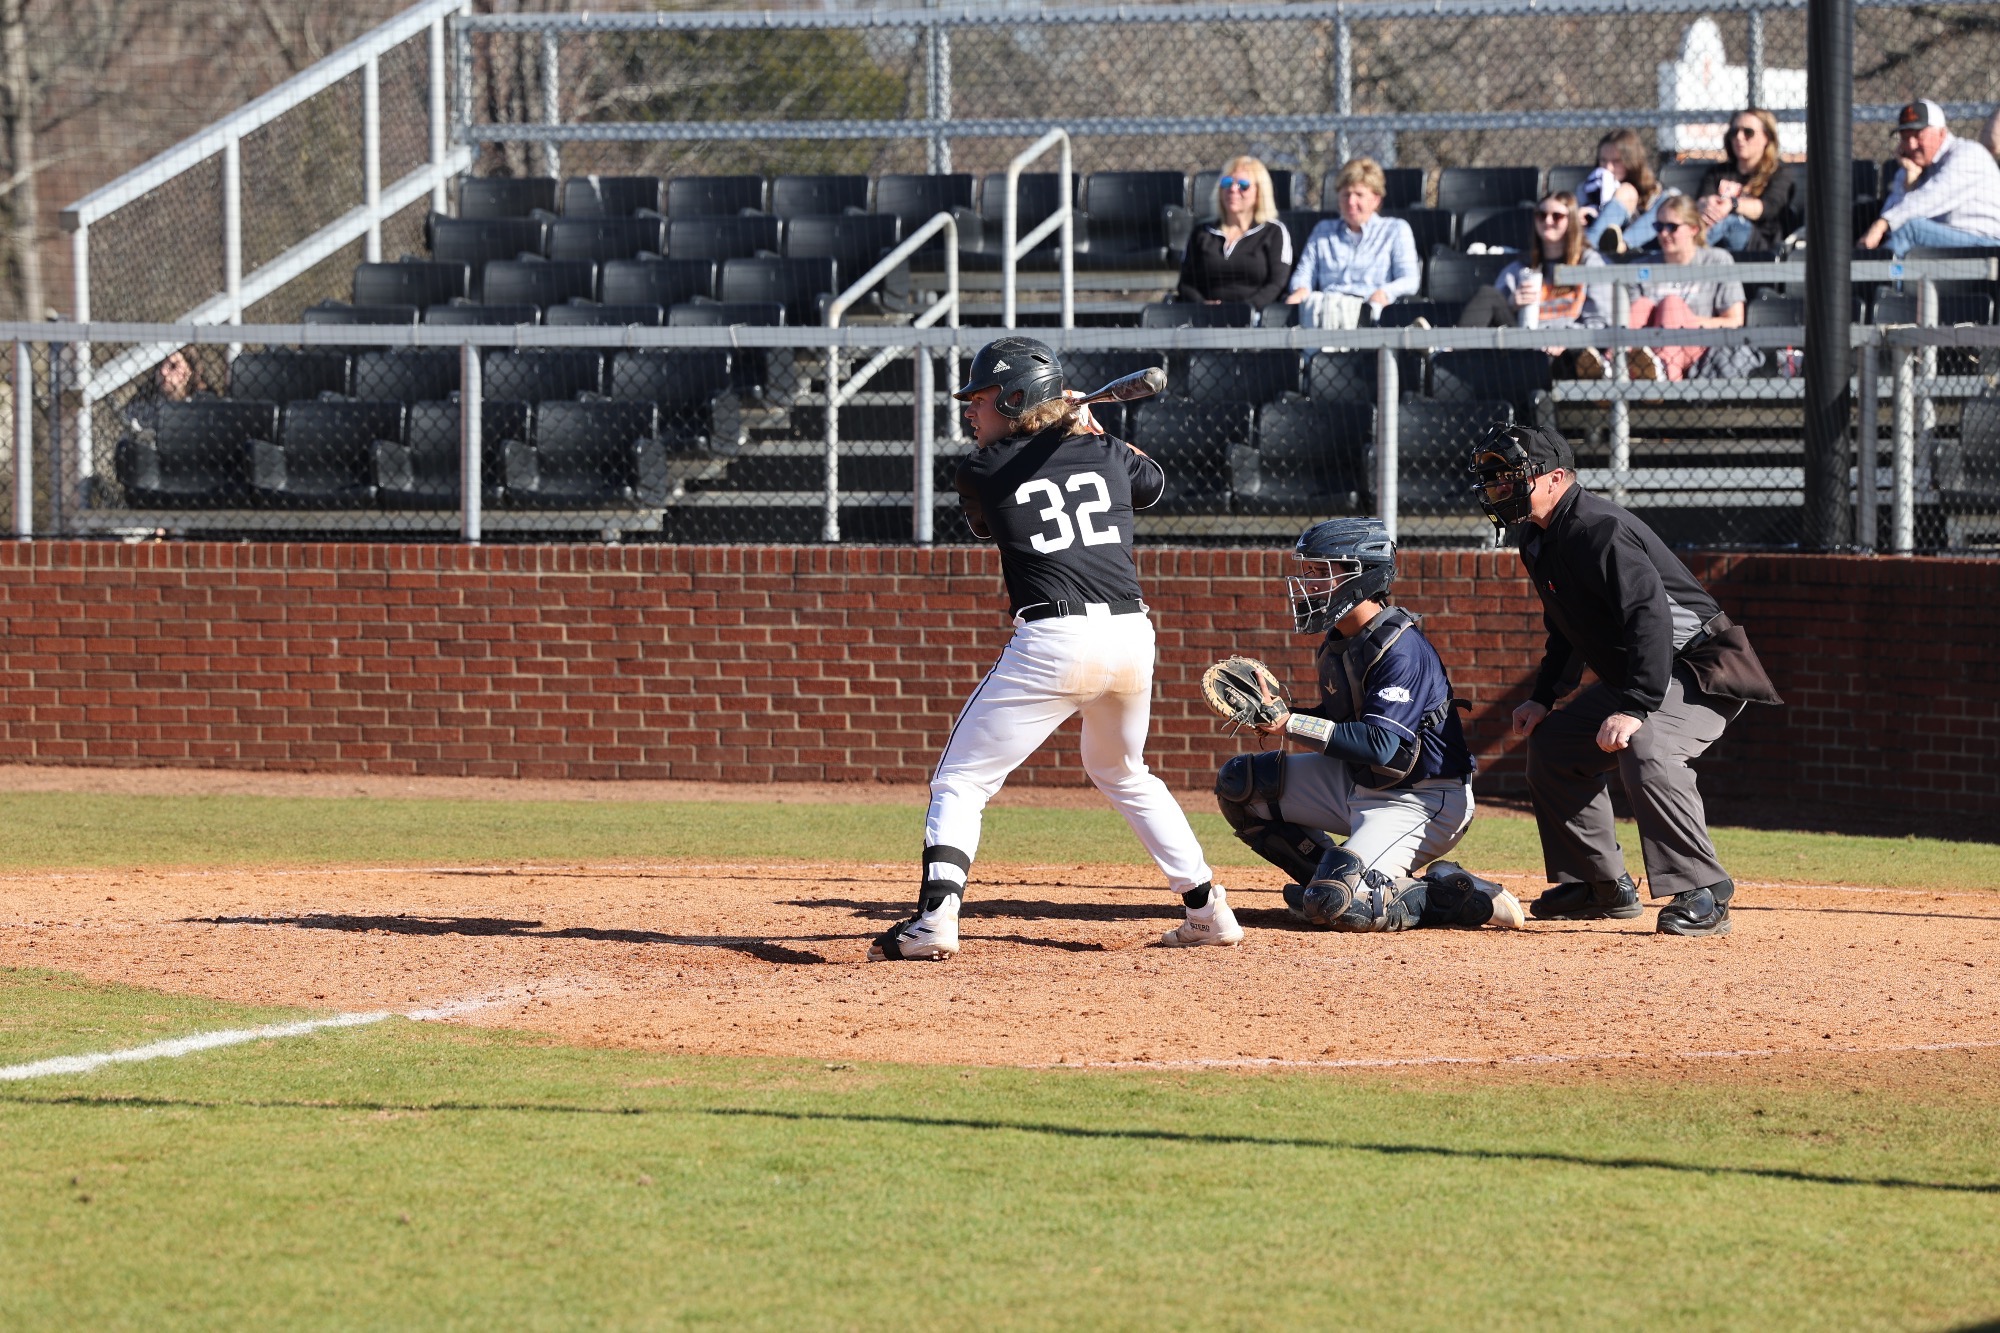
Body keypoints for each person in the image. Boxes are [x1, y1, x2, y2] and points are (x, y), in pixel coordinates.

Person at [869, 337, 1240, 961]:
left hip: (1055, 640)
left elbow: (993, 509)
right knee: (1123, 772)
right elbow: (1151, 482)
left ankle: (935, 918)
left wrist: (1069, 430)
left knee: (960, 780)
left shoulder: (981, 468)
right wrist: (1093, 430)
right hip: (1130, 638)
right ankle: (1207, 908)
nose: (971, 412)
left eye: (982, 400)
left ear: (1015, 400)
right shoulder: (1100, 450)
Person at [1469, 423, 1782, 938]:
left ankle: (1704, 890)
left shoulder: (1599, 528)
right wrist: (1545, 696)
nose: (1500, 490)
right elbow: (1565, 628)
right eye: (1494, 481)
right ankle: (1600, 884)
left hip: (1702, 667)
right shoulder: (1537, 537)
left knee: (1648, 743)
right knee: (1553, 745)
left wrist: (1636, 706)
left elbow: (1650, 617)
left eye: (1511, 478)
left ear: (1557, 478)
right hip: (1644, 672)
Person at [1212, 518, 1525, 934]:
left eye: (1322, 572)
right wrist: (1282, 716)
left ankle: (1456, 892)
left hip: (1421, 799)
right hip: (1360, 782)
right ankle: (1330, 880)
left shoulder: (1401, 649)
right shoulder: (1342, 641)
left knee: (1337, 908)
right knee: (1243, 784)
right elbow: (1345, 725)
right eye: (1308, 572)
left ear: (1363, 576)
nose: (1310, 584)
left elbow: (1382, 746)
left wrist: (1292, 724)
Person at [1456, 190, 1610, 375]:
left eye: (1557, 216)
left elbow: (1599, 322)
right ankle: (1451, 357)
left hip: (1565, 350)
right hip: (1525, 345)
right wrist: (1511, 304)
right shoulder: (1520, 266)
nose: (1547, 221)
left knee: (1578, 353)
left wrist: (1565, 339)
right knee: (1487, 295)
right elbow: (1494, 316)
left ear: (1571, 222)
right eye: (1541, 215)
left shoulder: (1590, 263)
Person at [1618, 195, 1747, 381]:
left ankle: (1664, 373)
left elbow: (1735, 321)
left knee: (1672, 305)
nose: (1663, 233)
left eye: (1672, 227)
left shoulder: (1717, 260)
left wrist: (1684, 321)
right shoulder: (1640, 268)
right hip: (1645, 349)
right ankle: (1612, 366)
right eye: (1659, 227)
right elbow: (1634, 321)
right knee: (1642, 305)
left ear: (1693, 229)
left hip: (1699, 347)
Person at [1285, 158, 1419, 328]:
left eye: (1359, 195)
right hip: (1328, 312)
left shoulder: (1396, 230)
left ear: (1376, 199)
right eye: (1346, 194)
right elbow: (1304, 272)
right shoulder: (1323, 231)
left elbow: (1409, 280)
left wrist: (1385, 293)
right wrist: (1301, 289)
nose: (1351, 202)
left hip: (1371, 312)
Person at [1859, 99, 2000, 255]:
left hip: (1986, 243)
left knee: (1911, 230)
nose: (1911, 145)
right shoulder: (1912, 167)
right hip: (1942, 243)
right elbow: (1893, 212)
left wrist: (1882, 224)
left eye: (1919, 135)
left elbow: (1932, 198)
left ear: (1942, 132)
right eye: (1905, 138)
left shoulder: (1968, 154)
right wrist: (1909, 183)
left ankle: (1876, 278)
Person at [1176, 155, 1295, 308]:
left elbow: (1277, 283)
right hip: (1204, 320)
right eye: (1227, 183)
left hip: (1256, 321)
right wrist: (1203, 307)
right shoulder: (1202, 232)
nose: (1233, 189)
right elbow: (1186, 283)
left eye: (1243, 185)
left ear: (1259, 192)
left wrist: (1243, 310)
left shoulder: (1274, 232)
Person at [1696, 108, 1799, 253]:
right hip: (1715, 233)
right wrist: (1706, 204)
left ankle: (1685, 255)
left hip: (1759, 243)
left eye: (1748, 132)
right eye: (1734, 132)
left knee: (1729, 223)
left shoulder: (1779, 173)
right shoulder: (1717, 172)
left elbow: (1769, 208)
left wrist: (1732, 204)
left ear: (1766, 138)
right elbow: (1701, 199)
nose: (1739, 137)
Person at [1580, 128, 1670, 255]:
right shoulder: (1589, 187)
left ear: (1631, 161)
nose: (1608, 167)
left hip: (1642, 250)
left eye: (1616, 161)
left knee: (1670, 199)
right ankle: (1588, 249)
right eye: (1603, 160)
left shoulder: (1654, 191)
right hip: (1595, 249)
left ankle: (1619, 245)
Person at [122, 347, 212, 436]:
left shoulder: (206, 405)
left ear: (189, 371)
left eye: (173, 366)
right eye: (159, 364)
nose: (163, 371)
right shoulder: (145, 402)